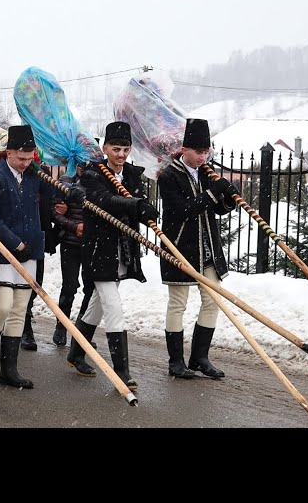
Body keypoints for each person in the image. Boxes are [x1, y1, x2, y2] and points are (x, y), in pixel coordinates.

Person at [65, 121, 153, 389]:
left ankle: (76, 353)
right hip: (98, 249)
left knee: (97, 304)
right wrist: (134, 205)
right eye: (116, 149)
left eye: (126, 149)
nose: (121, 155)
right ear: (105, 148)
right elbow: (103, 200)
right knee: (113, 306)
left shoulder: (132, 174)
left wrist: (145, 209)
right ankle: (121, 371)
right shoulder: (93, 174)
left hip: (123, 248)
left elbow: (136, 201)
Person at [0, 125, 59, 389]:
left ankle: (9, 368)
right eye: (20, 158)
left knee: (20, 309)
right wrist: (14, 243)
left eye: (29, 158)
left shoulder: (34, 175)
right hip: (3, 250)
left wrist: (64, 188)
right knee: (2, 305)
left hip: (30, 249)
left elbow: (53, 197)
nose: (24, 163)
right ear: (8, 152)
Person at [158, 118, 237, 379]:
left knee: (213, 300)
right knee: (178, 303)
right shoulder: (169, 176)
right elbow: (185, 211)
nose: (203, 157)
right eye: (199, 152)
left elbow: (214, 210)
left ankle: (200, 357)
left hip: (208, 248)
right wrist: (213, 193)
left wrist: (227, 199)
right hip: (180, 246)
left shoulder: (206, 173)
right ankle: (176, 361)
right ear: (184, 150)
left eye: (207, 152)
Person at [50, 172, 93, 347]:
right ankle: (61, 326)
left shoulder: (100, 182)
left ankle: (82, 332)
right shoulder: (66, 183)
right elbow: (55, 212)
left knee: (91, 289)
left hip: (93, 244)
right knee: (69, 286)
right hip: (71, 243)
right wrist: (73, 226)